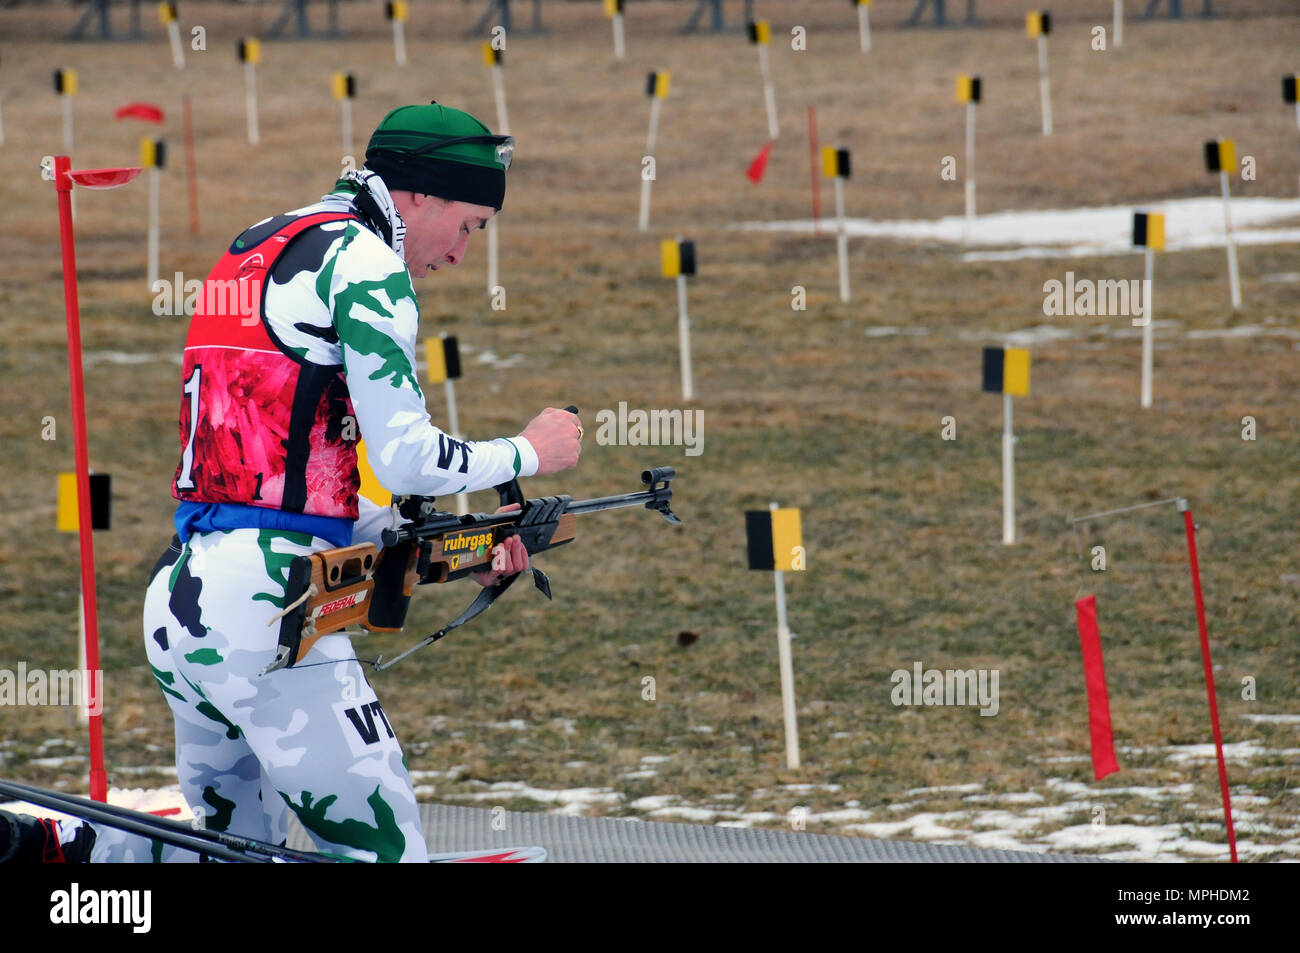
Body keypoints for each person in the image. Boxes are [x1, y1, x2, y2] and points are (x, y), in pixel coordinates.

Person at [1, 103, 582, 863]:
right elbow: (407, 458)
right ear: (420, 196)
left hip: (187, 603)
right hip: (274, 615)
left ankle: (52, 847)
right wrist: (527, 451)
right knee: (380, 852)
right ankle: (66, 844)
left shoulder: (258, 243)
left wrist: (471, 546)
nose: (459, 256)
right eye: (469, 225)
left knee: (233, 852)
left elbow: (290, 466)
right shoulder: (369, 264)